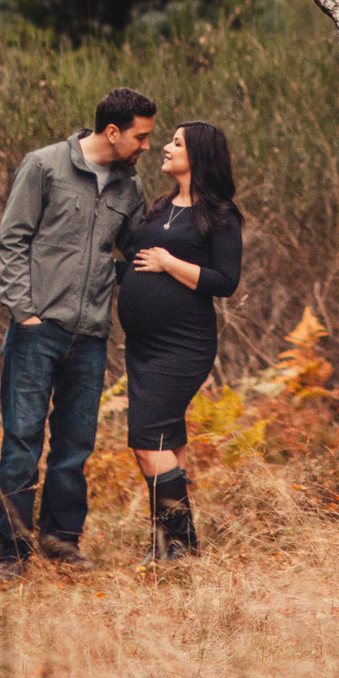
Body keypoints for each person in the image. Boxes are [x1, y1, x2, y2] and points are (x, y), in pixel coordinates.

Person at [0, 86, 155, 578]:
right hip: (38, 329)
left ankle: (61, 538)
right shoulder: (43, 167)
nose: (146, 146)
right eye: (140, 137)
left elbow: (135, 254)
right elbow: (13, 238)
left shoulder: (130, 189)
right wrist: (24, 311)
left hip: (90, 335)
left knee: (75, 444)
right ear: (111, 132)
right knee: (22, 440)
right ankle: (11, 551)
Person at [118, 120, 245, 560]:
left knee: (144, 439)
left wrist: (171, 263)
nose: (165, 149)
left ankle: (184, 543)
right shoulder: (159, 208)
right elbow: (134, 262)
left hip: (183, 344)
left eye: (176, 143)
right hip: (143, 347)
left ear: (199, 156)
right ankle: (165, 541)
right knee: (165, 440)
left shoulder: (220, 216)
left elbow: (225, 282)